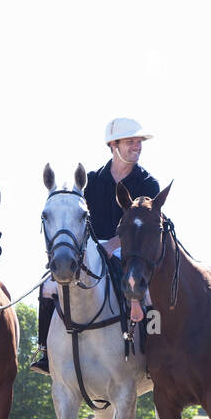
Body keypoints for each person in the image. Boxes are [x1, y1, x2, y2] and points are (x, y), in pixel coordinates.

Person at [31, 117, 161, 374]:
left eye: (139, 141)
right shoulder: (91, 181)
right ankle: (45, 350)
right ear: (113, 145)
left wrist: (113, 245)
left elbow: (143, 227)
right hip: (90, 251)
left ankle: (155, 353)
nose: (137, 146)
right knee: (46, 288)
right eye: (130, 141)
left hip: (132, 251)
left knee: (149, 296)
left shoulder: (148, 184)